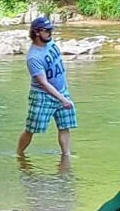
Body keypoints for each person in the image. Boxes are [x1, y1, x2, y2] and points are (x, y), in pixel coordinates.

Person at [16, 16, 76, 159]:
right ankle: (19, 153)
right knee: (31, 129)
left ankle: (66, 156)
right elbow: (43, 83)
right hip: (42, 96)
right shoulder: (33, 57)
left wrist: (64, 92)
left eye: (51, 30)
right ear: (37, 32)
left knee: (64, 126)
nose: (50, 33)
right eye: (47, 30)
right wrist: (62, 99)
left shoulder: (50, 43)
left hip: (61, 91)